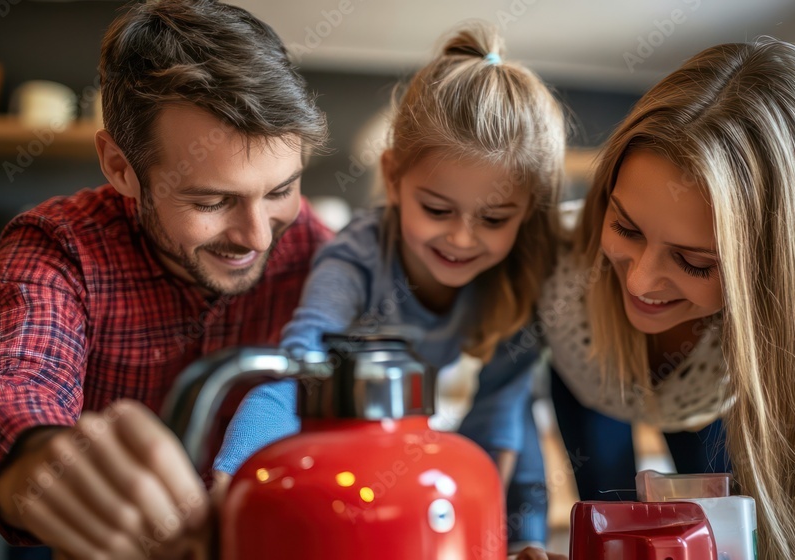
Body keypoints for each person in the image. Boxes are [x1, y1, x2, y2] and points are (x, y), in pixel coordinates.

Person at [519, 38, 795, 560]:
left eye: (697, 262)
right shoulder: (552, 255)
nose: (638, 283)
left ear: (782, 275)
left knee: (717, 521)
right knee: (608, 516)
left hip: (708, 404)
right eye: (625, 228)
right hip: (587, 388)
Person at [0, 1, 331, 558]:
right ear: (120, 167)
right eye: (212, 199)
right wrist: (42, 460)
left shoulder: (318, 253)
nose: (257, 237)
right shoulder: (59, 246)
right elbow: (10, 384)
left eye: (279, 191)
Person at [213, 24, 567, 551]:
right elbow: (297, 371)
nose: (462, 238)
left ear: (526, 213)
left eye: (494, 218)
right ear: (394, 178)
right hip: (357, 417)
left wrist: (487, 535)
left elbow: (498, 413)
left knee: (518, 432)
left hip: (483, 428)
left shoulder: (520, 274)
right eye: (437, 210)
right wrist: (229, 484)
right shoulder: (353, 259)